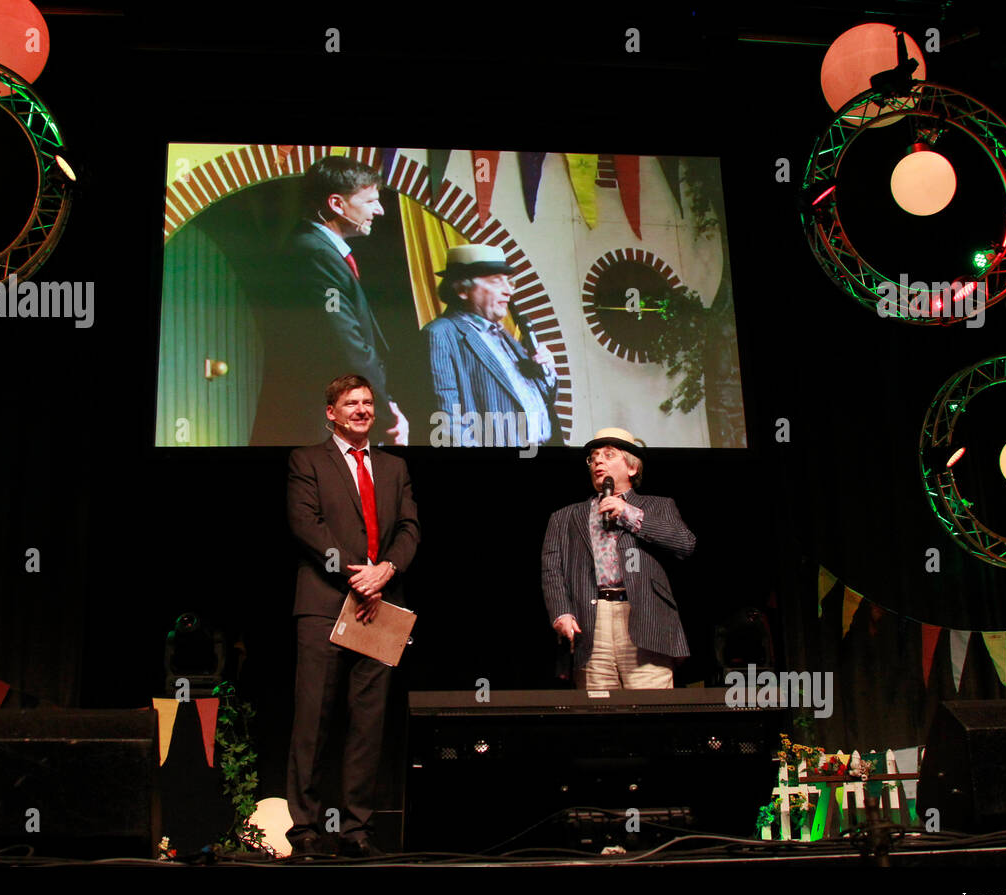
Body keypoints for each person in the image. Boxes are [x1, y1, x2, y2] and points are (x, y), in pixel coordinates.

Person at [284, 374, 420, 856]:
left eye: (367, 403)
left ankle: (356, 831)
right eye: (351, 403)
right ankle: (304, 830)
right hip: (325, 603)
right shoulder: (307, 460)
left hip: (379, 604)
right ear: (332, 412)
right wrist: (353, 572)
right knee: (313, 720)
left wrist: (386, 569)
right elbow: (305, 523)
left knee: (368, 723)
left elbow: (408, 528)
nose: (362, 410)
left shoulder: (394, 466)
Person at [251, 157, 409, 446]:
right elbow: (346, 344)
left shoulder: (317, 250)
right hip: (314, 427)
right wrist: (386, 416)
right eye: (370, 200)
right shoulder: (315, 255)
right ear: (337, 204)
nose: (380, 209)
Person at [541, 427, 695, 688]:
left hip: (645, 619)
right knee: (600, 715)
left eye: (609, 454)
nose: (598, 461)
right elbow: (551, 570)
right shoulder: (564, 517)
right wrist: (561, 613)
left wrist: (628, 513)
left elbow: (685, 543)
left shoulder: (659, 506)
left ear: (632, 468)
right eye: (593, 457)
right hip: (590, 622)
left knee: (651, 712)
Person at [423, 244, 561, 447]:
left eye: (509, 282)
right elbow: (447, 420)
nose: (508, 291)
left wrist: (547, 372)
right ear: (462, 289)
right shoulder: (441, 333)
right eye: (497, 282)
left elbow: (544, 399)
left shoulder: (503, 334)